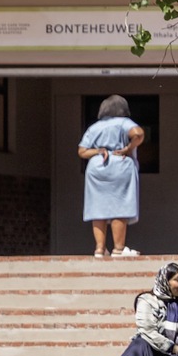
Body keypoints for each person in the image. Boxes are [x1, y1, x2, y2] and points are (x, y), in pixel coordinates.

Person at [78, 94, 145, 258]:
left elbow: (82, 151)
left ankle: (99, 249)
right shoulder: (124, 122)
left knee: (97, 208)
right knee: (119, 206)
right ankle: (118, 249)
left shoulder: (95, 127)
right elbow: (139, 133)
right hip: (120, 164)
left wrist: (99, 151)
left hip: (96, 167)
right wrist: (129, 148)